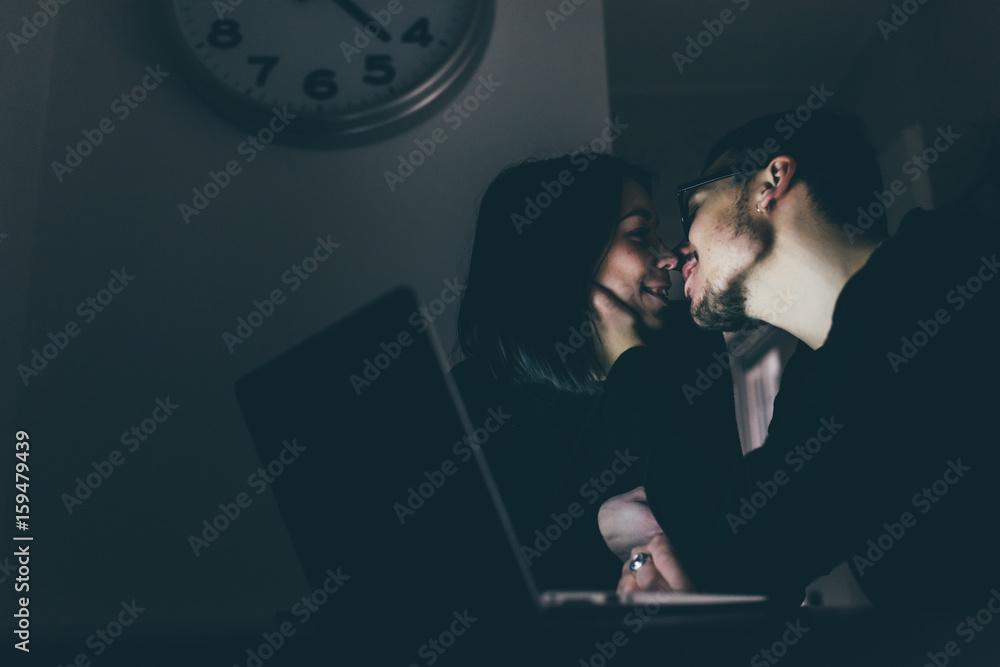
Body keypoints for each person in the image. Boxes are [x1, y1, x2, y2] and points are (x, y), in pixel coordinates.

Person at [599, 110, 1000, 610]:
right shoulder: (812, 377)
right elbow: (762, 554)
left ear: (772, 181)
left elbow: (749, 539)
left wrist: (623, 352)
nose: (680, 250)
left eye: (693, 206)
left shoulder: (948, 268)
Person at [450, 154, 739, 591]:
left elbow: (736, 542)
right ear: (567, 254)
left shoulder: (691, 349)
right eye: (641, 234)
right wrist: (598, 531)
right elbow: (458, 586)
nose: (669, 257)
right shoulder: (468, 403)